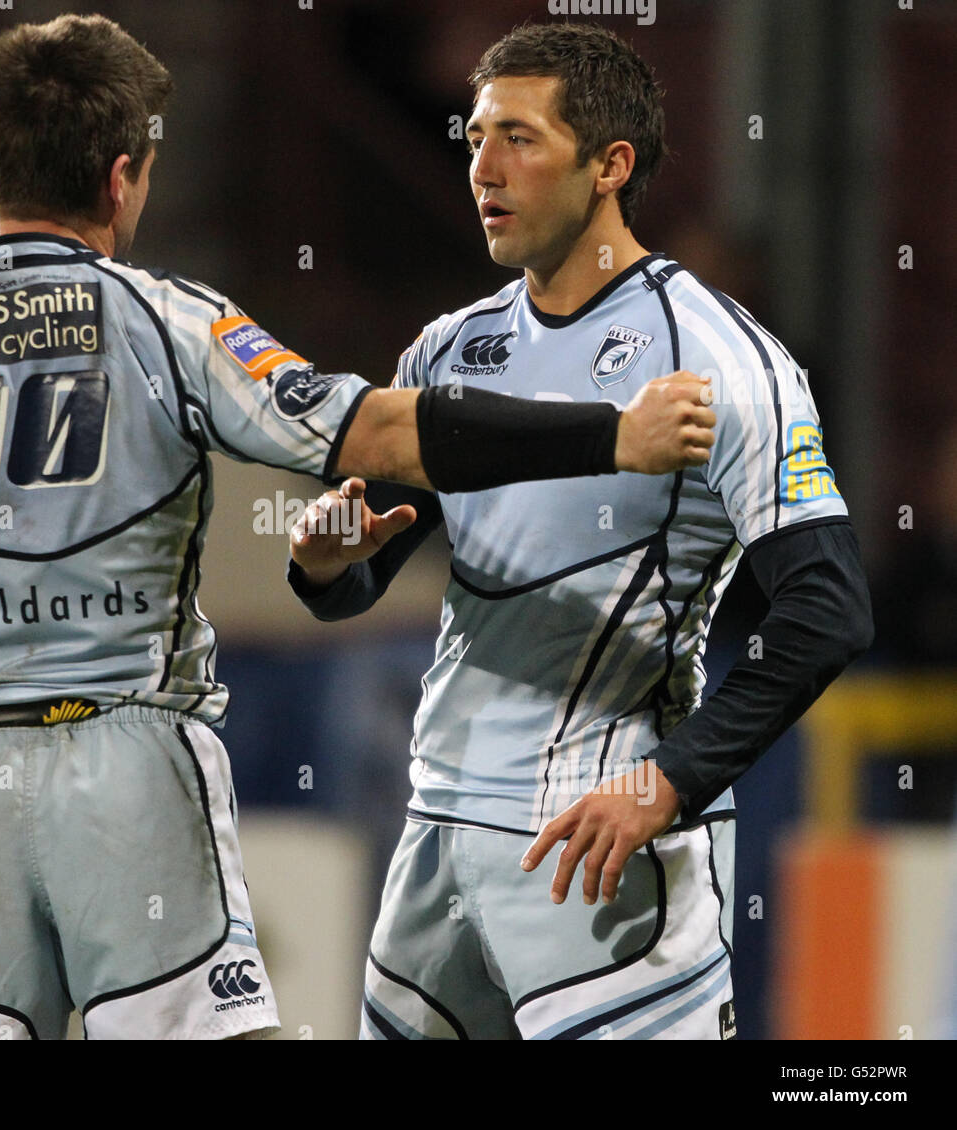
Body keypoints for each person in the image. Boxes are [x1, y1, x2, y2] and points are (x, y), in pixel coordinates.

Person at [0, 14, 711, 1042]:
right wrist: (610, 434)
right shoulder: (175, 324)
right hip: (128, 772)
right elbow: (382, 432)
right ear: (122, 176)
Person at [288, 21, 873, 1040]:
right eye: (473, 137)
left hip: (597, 842)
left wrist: (672, 780)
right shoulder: (448, 346)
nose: (481, 168)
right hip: (436, 837)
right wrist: (330, 566)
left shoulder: (724, 356)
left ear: (610, 165)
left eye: (517, 138)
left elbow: (827, 610)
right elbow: (384, 553)